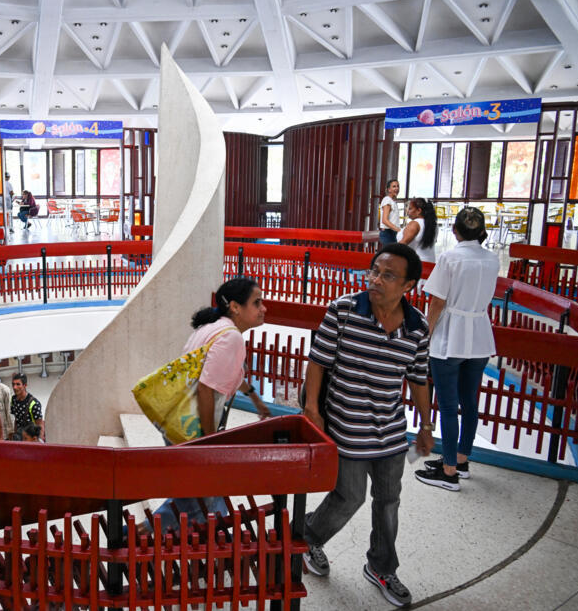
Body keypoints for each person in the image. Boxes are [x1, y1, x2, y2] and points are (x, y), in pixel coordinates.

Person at [300, 244, 434, 608]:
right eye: (374, 270)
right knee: (350, 496)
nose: (375, 279)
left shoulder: (417, 326)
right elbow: (318, 362)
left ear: (408, 286)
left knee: (388, 501)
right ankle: (309, 538)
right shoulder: (343, 309)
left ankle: (381, 566)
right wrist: (313, 409)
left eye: (388, 275)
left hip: (390, 431)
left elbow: (419, 378)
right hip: (346, 426)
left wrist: (425, 425)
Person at [153, 277, 272, 531]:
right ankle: (140, 533)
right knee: (202, 496)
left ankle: (220, 544)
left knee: (202, 494)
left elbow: (227, 373)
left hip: (176, 421)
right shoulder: (231, 338)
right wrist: (207, 442)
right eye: (257, 302)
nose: (264, 308)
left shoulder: (212, 327)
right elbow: (206, 390)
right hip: (192, 428)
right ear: (236, 308)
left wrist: (255, 398)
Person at [414, 207, 500, 491]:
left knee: (449, 406)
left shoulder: (450, 258)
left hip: (451, 336)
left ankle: (448, 472)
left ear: (455, 230)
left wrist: (427, 333)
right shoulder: (492, 259)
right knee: (469, 402)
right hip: (479, 335)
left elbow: (437, 302)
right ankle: (461, 460)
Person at [396, 197, 438, 264]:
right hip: (431, 262)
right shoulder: (434, 225)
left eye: (410, 209)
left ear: (419, 210)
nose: (407, 211)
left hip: (416, 263)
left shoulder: (415, 224)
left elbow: (402, 244)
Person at [10, 373, 44, 440]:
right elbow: (16, 420)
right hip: (20, 436)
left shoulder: (34, 404)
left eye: (18, 384)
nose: (14, 387)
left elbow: (40, 425)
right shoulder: (13, 399)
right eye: (13, 384)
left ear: (25, 385)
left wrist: (39, 442)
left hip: (30, 439)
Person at [379, 180, 402, 245]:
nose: (397, 188)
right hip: (388, 233)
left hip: (392, 232)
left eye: (398, 186)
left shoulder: (392, 201)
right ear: (389, 189)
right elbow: (385, 220)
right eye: (394, 186)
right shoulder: (387, 200)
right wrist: (399, 230)